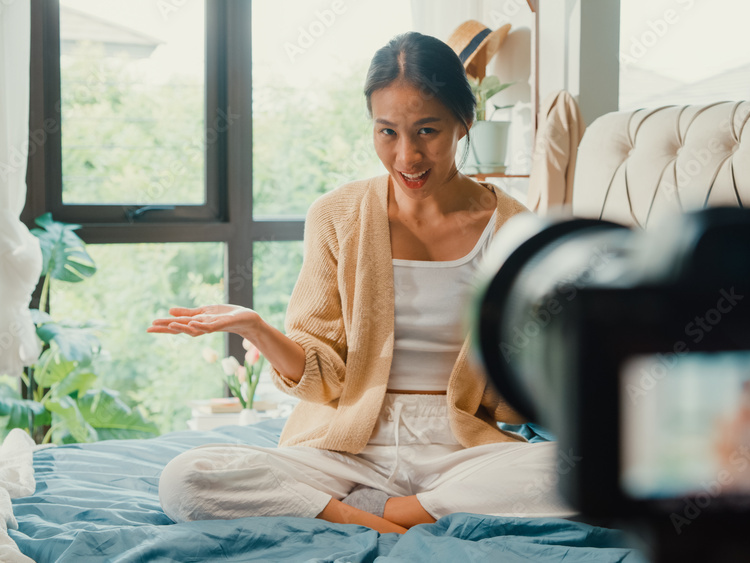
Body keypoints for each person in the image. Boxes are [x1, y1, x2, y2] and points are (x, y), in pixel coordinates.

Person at [149, 31, 573, 534]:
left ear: (465, 121)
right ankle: (365, 514)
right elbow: (323, 374)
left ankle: (394, 512)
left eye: (427, 131)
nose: (406, 157)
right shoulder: (336, 216)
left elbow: (513, 395)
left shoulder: (515, 228)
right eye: (387, 132)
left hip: (459, 449)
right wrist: (258, 330)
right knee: (185, 477)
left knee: (590, 470)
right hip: (348, 445)